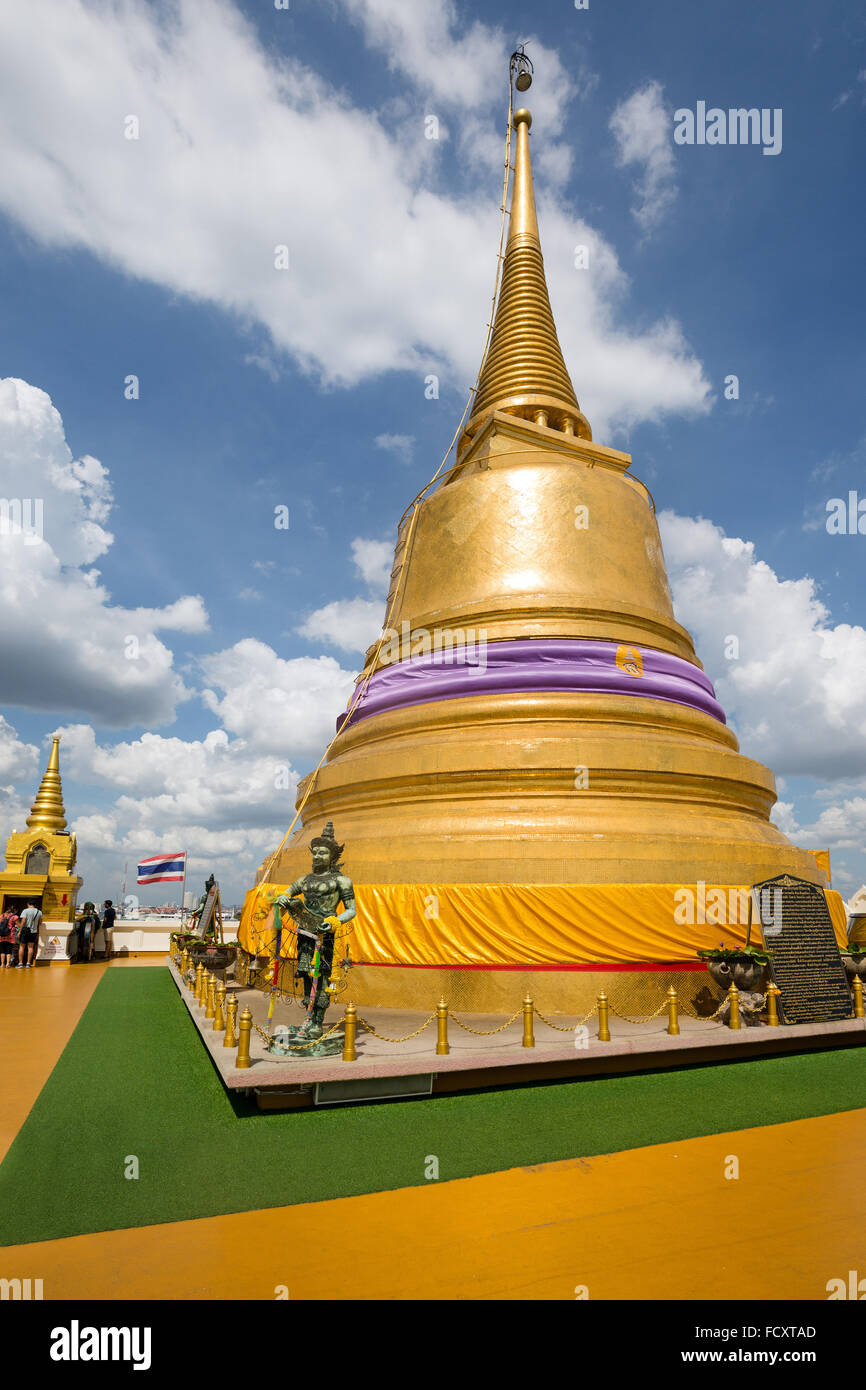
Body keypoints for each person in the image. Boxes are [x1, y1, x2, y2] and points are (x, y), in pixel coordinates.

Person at [17, 900, 42, 968]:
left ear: (28, 904)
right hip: (34, 931)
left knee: (22, 947)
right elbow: (40, 923)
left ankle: (20, 963)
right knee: (30, 947)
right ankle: (28, 963)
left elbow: (23, 921)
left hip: (25, 931)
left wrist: (19, 931)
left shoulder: (25, 911)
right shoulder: (39, 912)